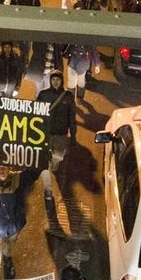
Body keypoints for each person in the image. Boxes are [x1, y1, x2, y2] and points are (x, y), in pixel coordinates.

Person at [35, 71, 77, 230]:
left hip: (60, 134)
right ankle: (47, 178)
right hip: (45, 132)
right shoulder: (43, 95)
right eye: (53, 79)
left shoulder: (67, 97)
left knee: (58, 156)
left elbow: (72, 117)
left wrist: (73, 135)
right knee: (45, 158)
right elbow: (35, 112)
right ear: (50, 81)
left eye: (58, 79)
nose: (55, 82)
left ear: (62, 80)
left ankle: (54, 163)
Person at [62, 39, 100, 104]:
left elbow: (94, 50)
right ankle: (71, 99)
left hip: (83, 62)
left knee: (81, 81)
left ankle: (80, 97)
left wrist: (97, 64)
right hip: (72, 61)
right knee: (71, 83)